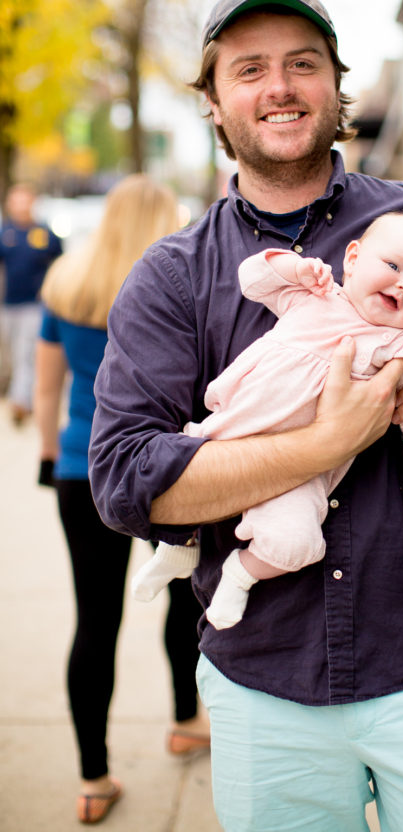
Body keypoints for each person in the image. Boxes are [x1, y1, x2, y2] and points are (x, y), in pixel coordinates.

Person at [90, 0, 403, 832]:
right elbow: (125, 481)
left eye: (302, 64)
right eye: (249, 69)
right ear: (213, 100)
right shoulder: (173, 276)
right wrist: (321, 444)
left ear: (334, 84)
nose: (279, 86)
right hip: (265, 686)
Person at [131, 211, 403, 629]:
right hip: (233, 426)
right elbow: (253, 279)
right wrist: (294, 268)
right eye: (393, 266)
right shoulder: (315, 296)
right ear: (352, 259)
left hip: (304, 475)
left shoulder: (398, 349)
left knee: (296, 539)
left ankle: (241, 573)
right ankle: (176, 549)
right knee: (181, 471)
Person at [34, 175, 210, 827]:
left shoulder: (66, 285)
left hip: (84, 469)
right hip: (163, 469)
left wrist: (51, 462)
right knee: (184, 595)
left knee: (95, 618)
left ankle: (92, 778)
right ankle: (186, 719)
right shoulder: (176, 288)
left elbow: (46, 386)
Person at [0, 182, 62, 424]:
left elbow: (59, 264)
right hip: (8, 305)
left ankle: (20, 402)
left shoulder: (45, 234)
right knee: (13, 354)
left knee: (26, 352)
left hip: (34, 306)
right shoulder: (5, 233)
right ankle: (22, 393)